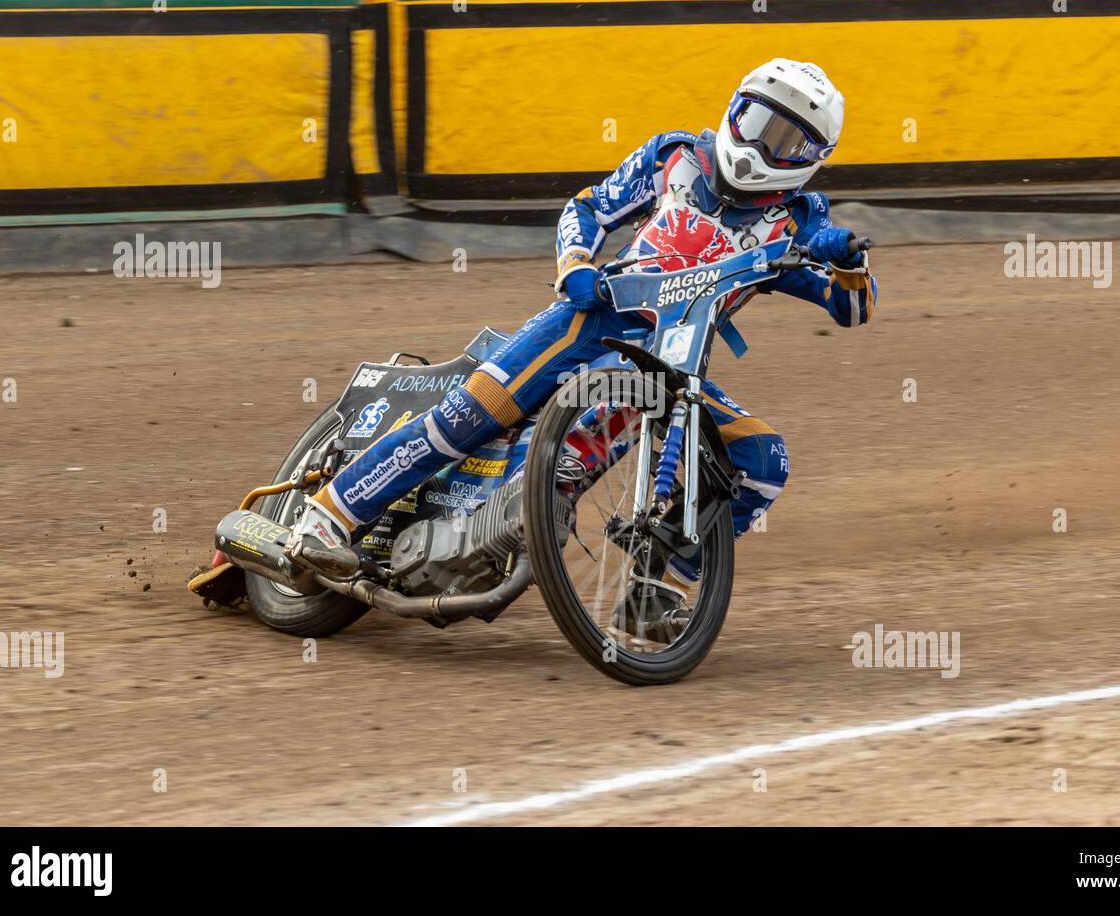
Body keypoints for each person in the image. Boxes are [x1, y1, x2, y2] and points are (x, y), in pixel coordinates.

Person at [288, 58, 878, 629]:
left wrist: (852, 260)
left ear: (813, 160)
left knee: (763, 461)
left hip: (675, 363)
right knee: (466, 417)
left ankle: (659, 591)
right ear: (734, 113)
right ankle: (328, 517)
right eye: (758, 124)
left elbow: (851, 307)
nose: (764, 147)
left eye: (788, 142)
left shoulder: (801, 221)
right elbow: (590, 207)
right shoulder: (676, 155)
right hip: (593, 315)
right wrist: (575, 262)